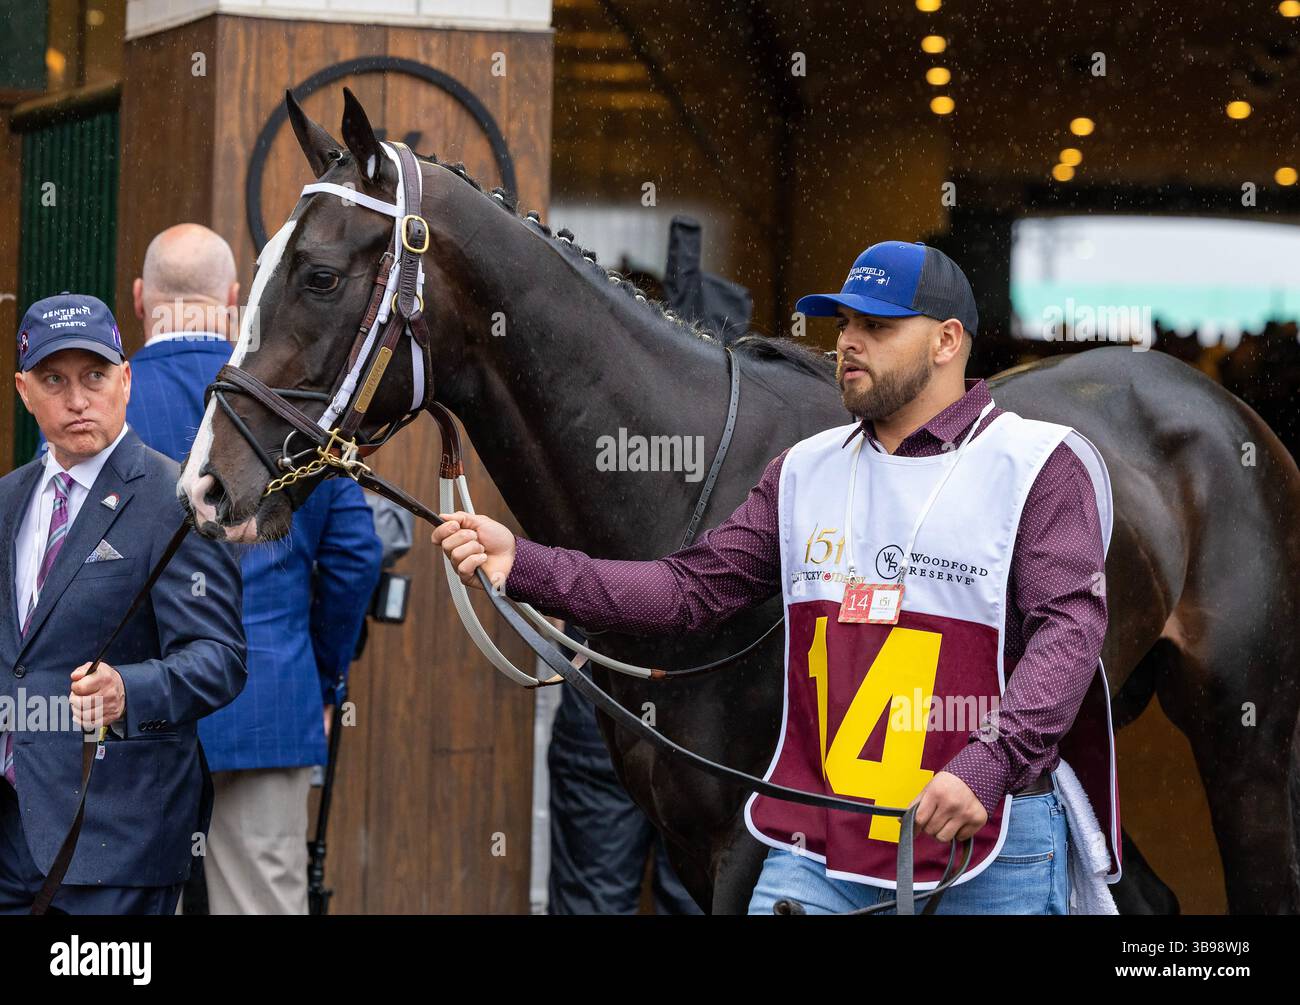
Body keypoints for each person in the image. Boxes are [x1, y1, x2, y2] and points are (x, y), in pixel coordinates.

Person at [434, 241, 1119, 915]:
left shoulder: (1036, 465)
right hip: (822, 841)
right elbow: (686, 591)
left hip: (991, 839)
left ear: (945, 341)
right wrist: (525, 564)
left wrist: (990, 763)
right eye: (844, 324)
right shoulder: (801, 470)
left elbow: (1070, 631)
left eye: (876, 326)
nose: (849, 342)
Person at [127, 224, 383, 914]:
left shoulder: (101, 407)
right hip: (269, 700)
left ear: (140, 299)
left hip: (136, 716)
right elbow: (357, 553)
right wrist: (322, 678)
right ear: (237, 297)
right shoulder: (297, 404)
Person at [0, 292, 246, 914]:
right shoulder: (7, 501)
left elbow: (220, 658)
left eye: (95, 376)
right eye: (54, 380)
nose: (77, 400)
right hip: (9, 842)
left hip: (116, 843)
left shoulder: (178, 500)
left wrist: (128, 690)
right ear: (24, 391)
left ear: (126, 380)